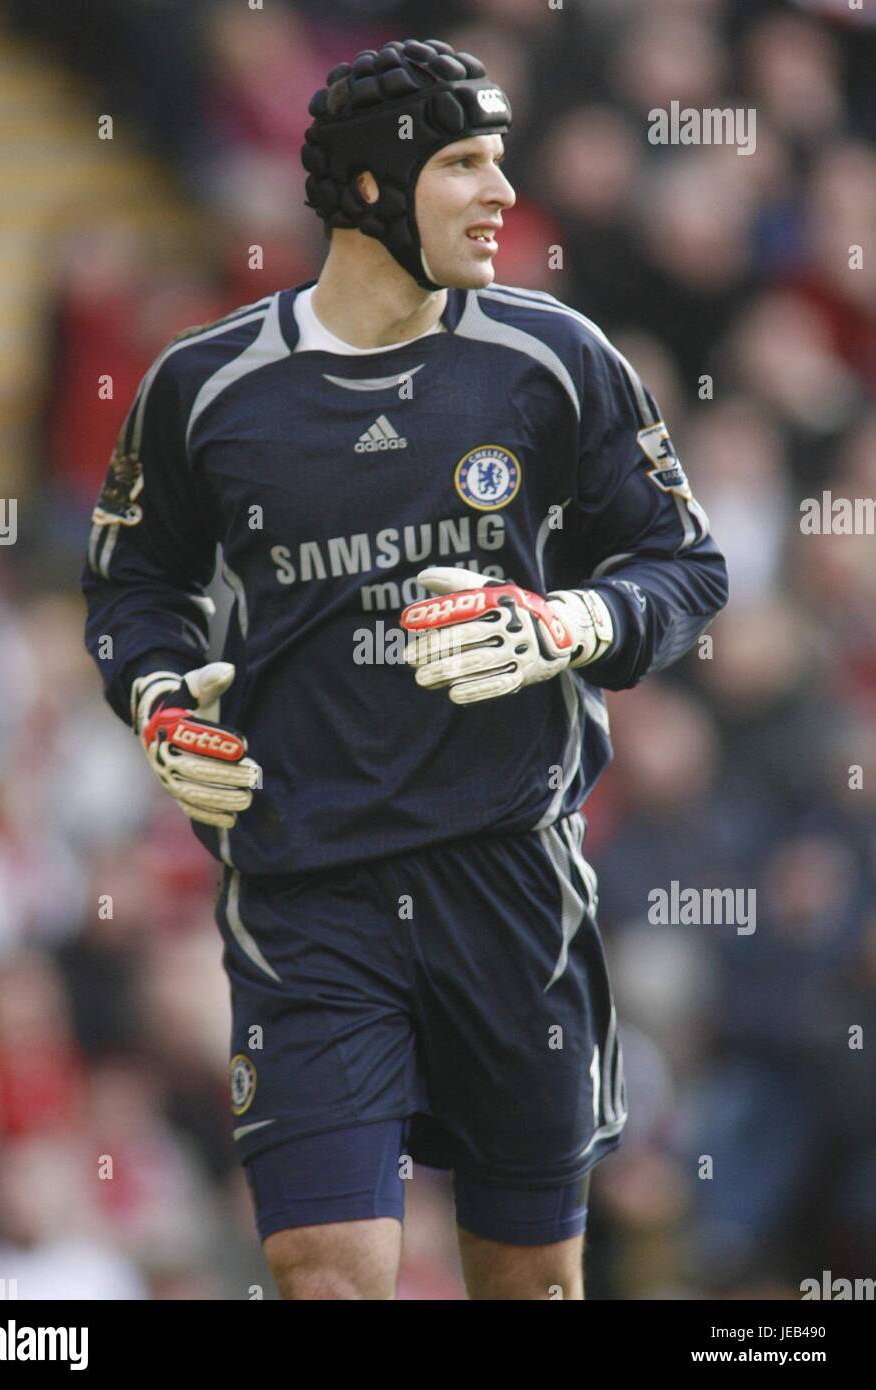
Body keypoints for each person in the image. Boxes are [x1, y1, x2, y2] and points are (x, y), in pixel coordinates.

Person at [82, 38, 728, 1300]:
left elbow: (682, 567)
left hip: (512, 884)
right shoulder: (205, 388)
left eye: (503, 163)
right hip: (306, 887)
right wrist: (160, 705)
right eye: (467, 165)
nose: (502, 194)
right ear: (375, 189)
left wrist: (567, 625)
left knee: (531, 1283)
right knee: (327, 1274)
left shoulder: (555, 359)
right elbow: (134, 587)